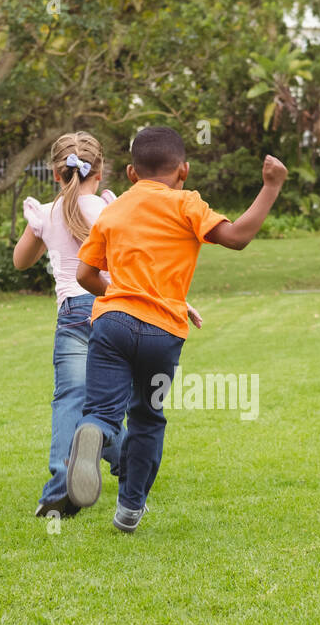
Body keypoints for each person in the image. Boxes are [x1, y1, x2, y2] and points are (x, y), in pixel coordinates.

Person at [66, 126, 286, 531]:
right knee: (148, 418)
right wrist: (270, 187)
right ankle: (130, 509)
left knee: (101, 411)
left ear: (131, 173)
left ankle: (93, 431)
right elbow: (237, 237)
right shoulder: (188, 204)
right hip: (162, 333)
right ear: (183, 170)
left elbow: (84, 274)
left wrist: (120, 291)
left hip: (112, 323)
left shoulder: (113, 210)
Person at [12, 131, 201, 518]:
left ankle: (59, 490)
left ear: (55, 173)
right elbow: (137, 265)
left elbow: (20, 262)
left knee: (72, 401)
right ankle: (129, 471)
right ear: (102, 171)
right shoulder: (112, 209)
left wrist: (41, 227)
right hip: (118, 309)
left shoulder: (45, 213)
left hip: (72, 313)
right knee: (111, 407)